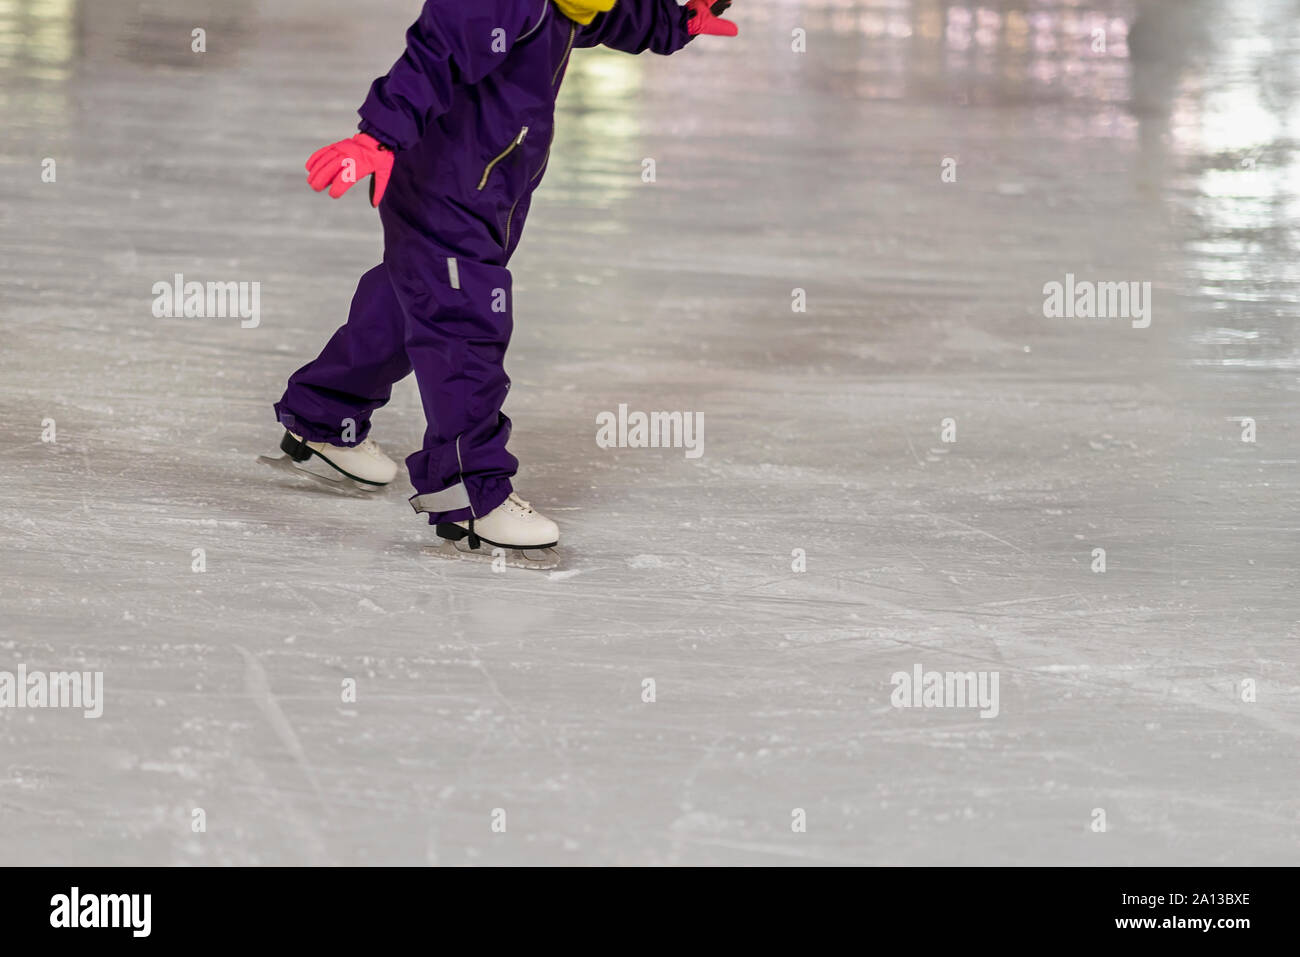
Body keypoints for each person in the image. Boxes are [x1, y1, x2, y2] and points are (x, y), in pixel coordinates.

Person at [272, 0, 738, 553]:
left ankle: (324, 416)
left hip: (491, 188)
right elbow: (435, 52)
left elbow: (600, 14)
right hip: (446, 185)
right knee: (466, 324)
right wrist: (376, 138)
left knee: (407, 303)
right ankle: (471, 493)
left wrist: (672, 22)